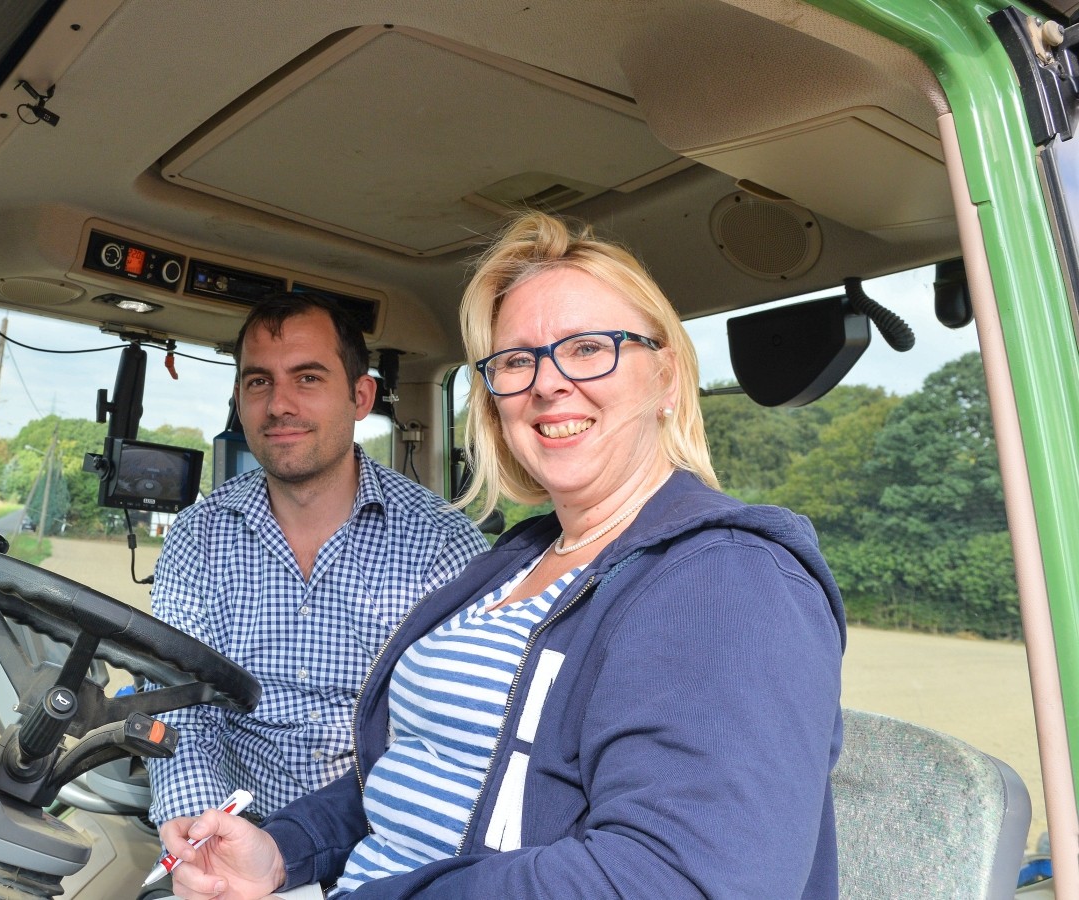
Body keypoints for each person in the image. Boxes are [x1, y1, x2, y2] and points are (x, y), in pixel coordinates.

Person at [157, 212, 847, 900]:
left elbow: (683, 880)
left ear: (666, 377)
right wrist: (282, 851)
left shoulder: (729, 577)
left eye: (587, 348)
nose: (547, 383)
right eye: (517, 361)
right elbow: (417, 772)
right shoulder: (512, 562)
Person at [145, 293, 489, 835]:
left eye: (307, 378)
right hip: (235, 827)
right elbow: (179, 702)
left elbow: (454, 735)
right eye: (259, 382)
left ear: (360, 395)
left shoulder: (443, 545)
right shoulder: (198, 537)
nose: (280, 404)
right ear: (239, 398)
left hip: (385, 839)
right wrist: (199, 827)